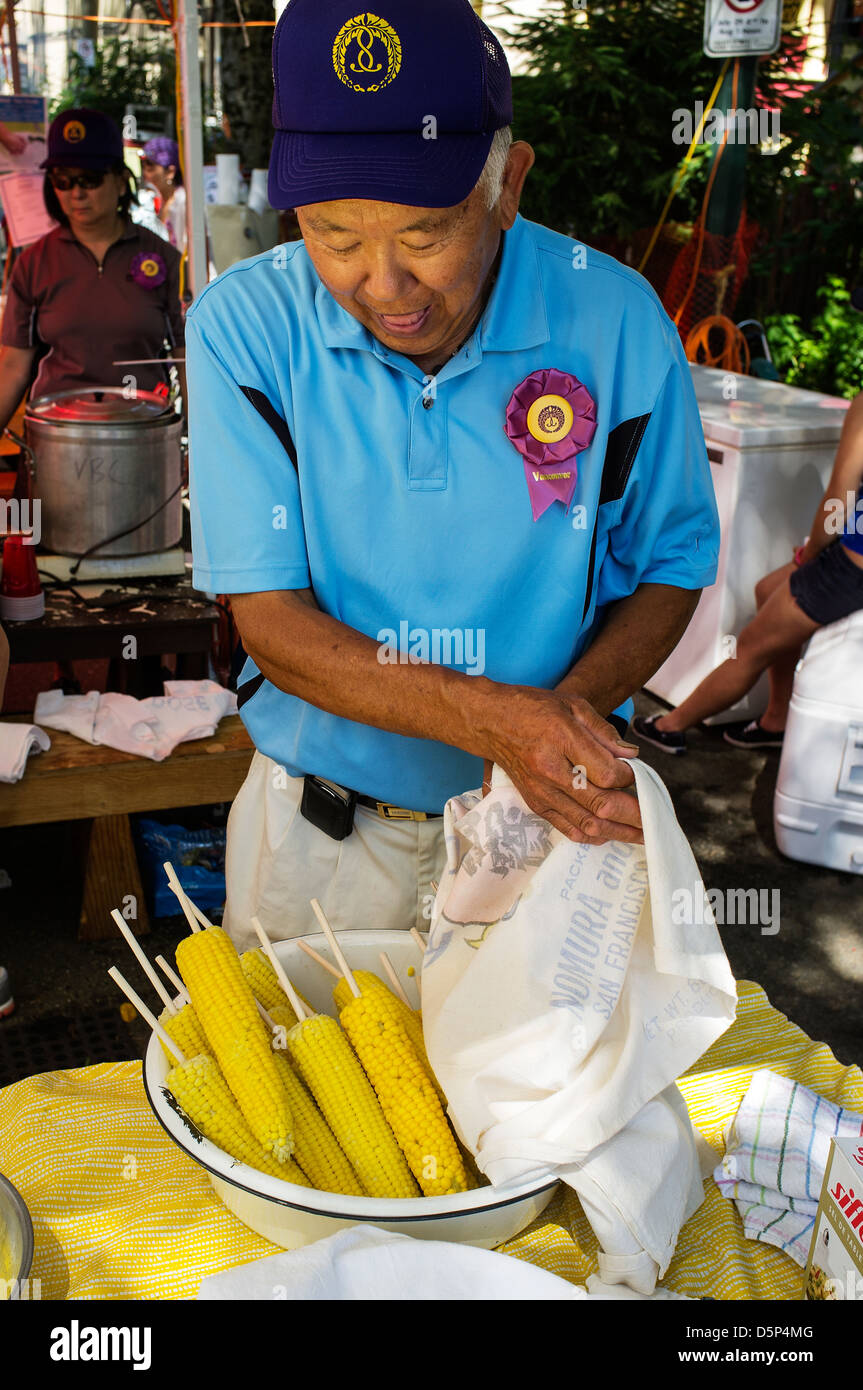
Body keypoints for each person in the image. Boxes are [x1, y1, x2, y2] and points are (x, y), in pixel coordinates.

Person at [187, 0, 720, 951]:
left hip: (547, 828)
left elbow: (670, 563)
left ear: (507, 184)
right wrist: (497, 723)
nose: (381, 286)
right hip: (325, 840)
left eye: (426, 235)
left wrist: (555, 730)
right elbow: (269, 619)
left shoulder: (617, 320)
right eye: (334, 236)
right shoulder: (244, 329)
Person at [634, 390, 863, 752]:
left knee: (751, 646)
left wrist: (809, 555)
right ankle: (777, 719)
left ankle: (670, 726)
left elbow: (838, 498)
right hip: (853, 553)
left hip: (852, 566)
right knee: (768, 588)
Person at [0, 107, 185, 422]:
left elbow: (184, 356)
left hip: (143, 433)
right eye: (63, 180)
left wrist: (198, 444)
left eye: (90, 179)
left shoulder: (164, 258)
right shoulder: (33, 263)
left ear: (119, 179)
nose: (77, 193)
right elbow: (13, 366)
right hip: (55, 437)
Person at [140, 136, 187, 254]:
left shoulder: (182, 201)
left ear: (170, 172)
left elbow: (185, 250)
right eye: (143, 167)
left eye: (150, 168)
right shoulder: (158, 201)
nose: (145, 174)